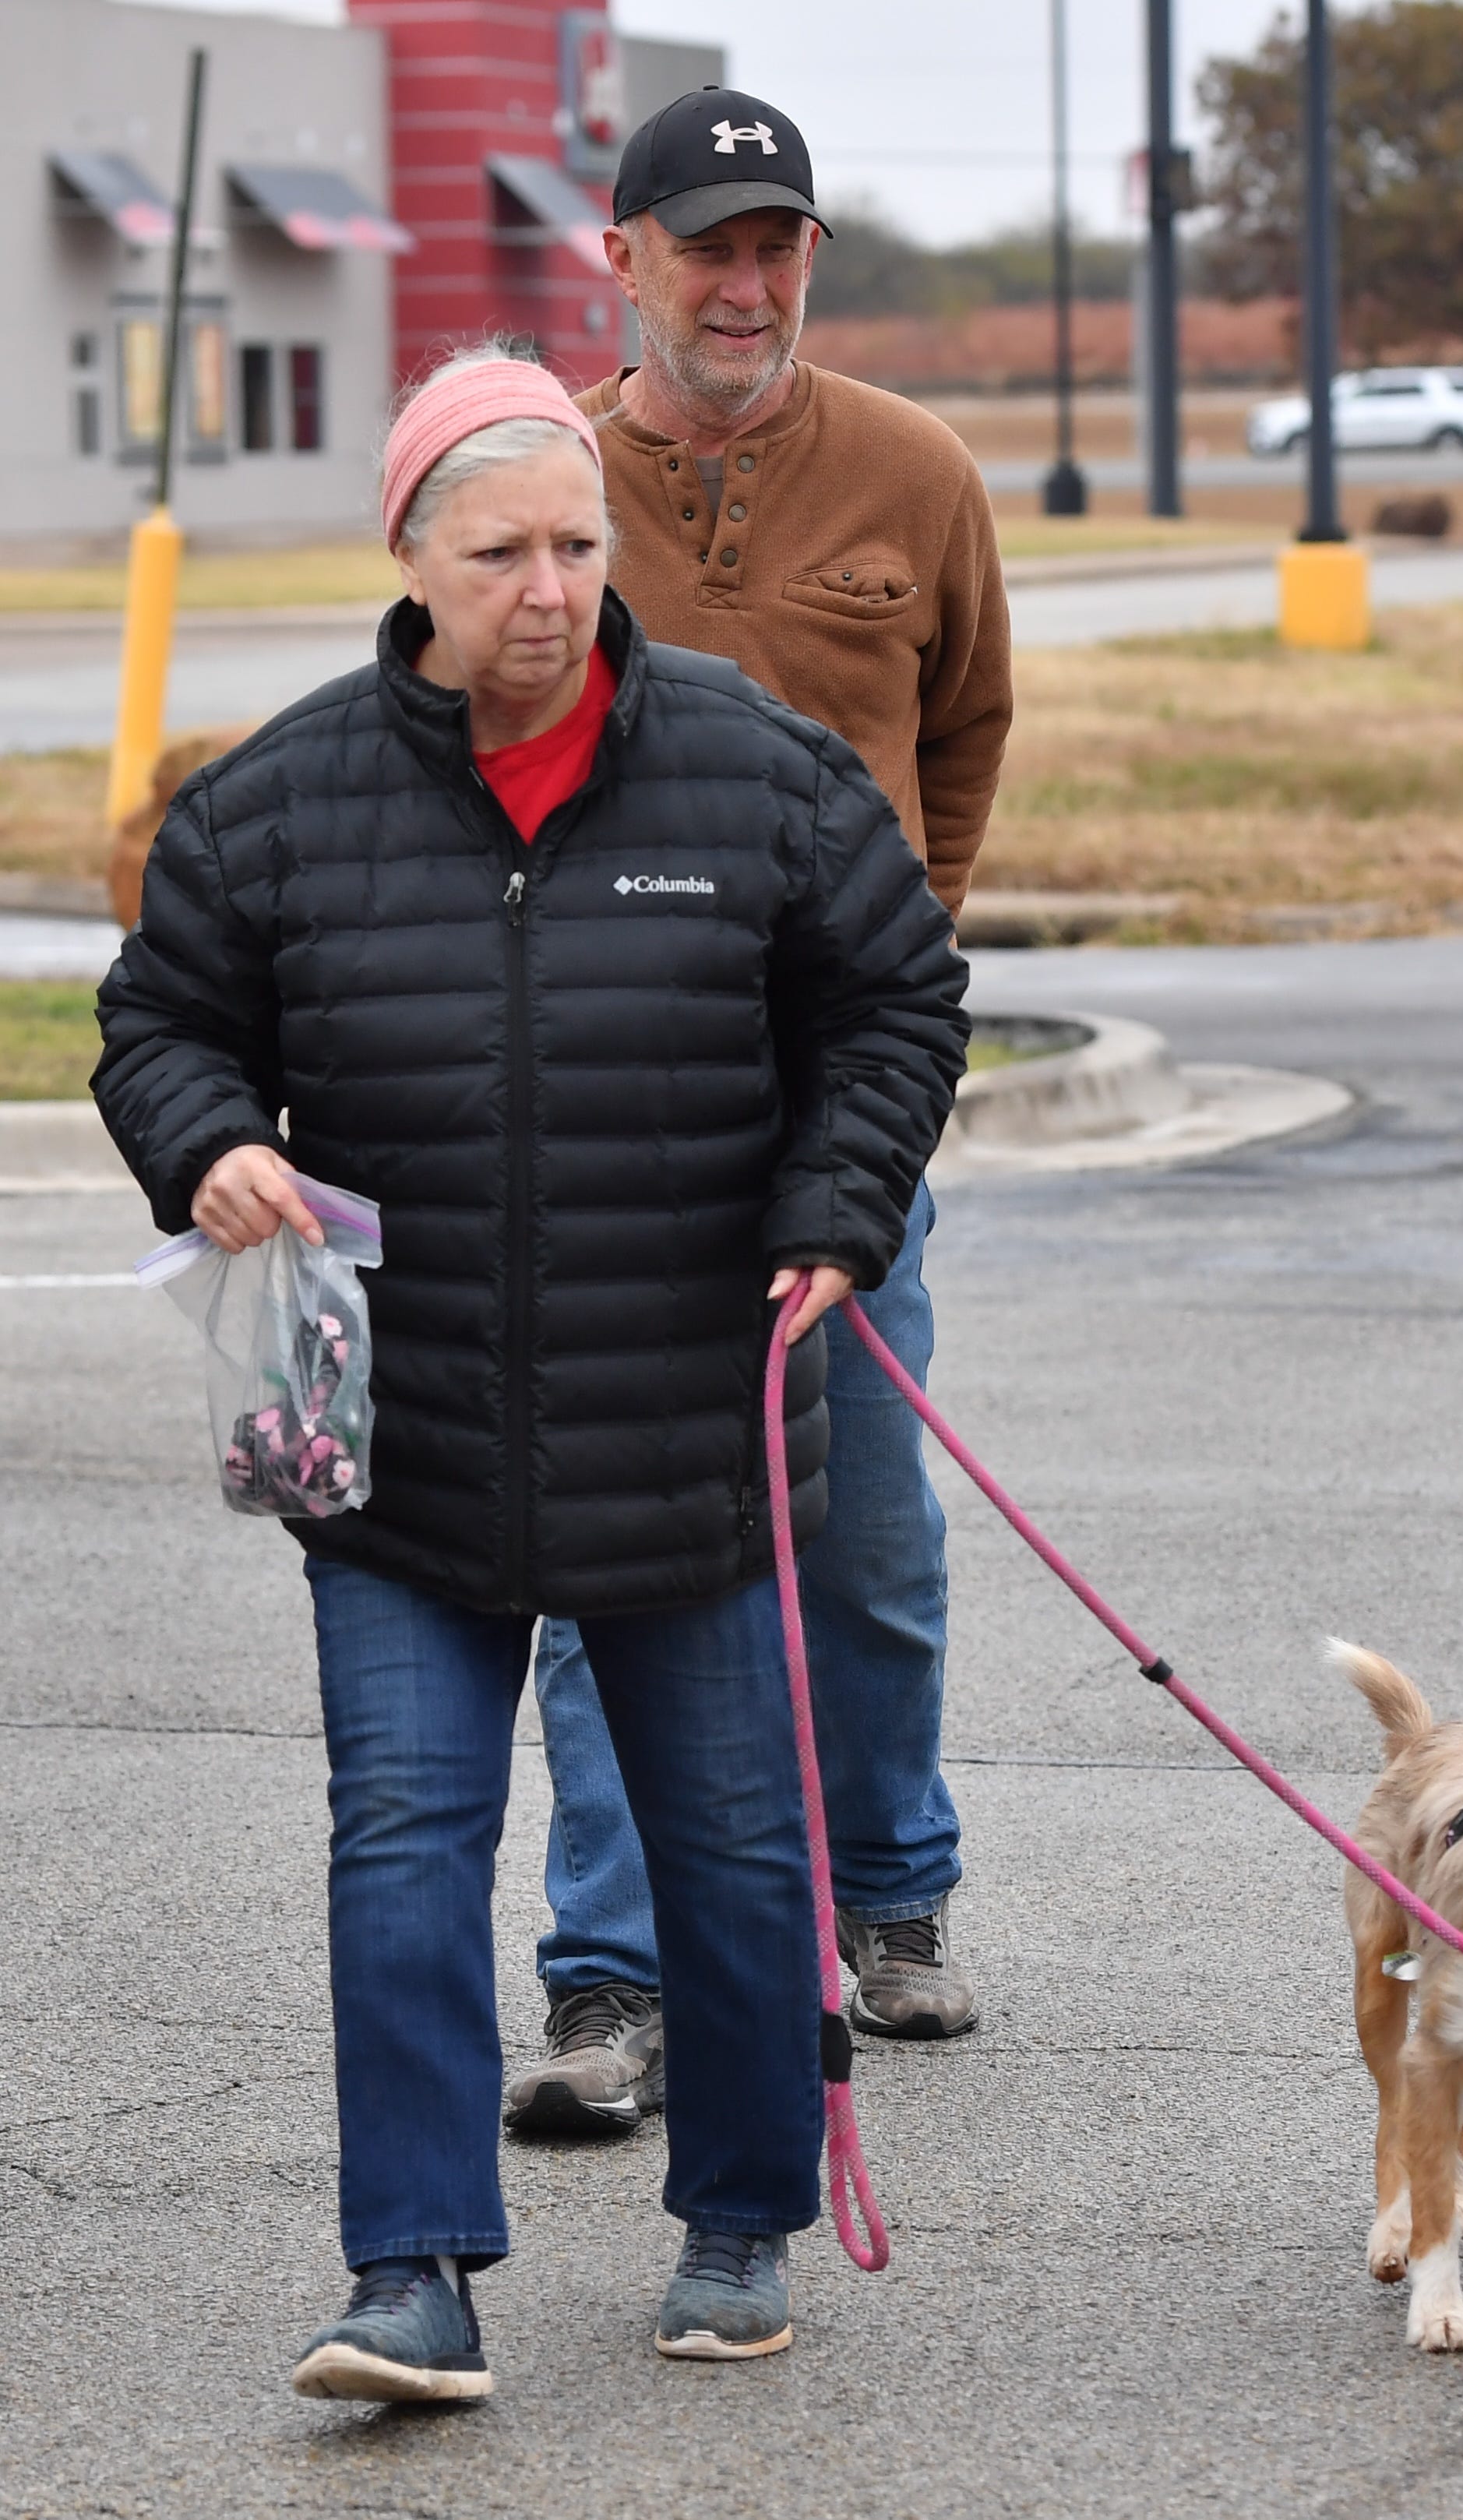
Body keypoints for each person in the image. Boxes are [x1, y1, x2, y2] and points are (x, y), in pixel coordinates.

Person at [92, 347, 970, 2393]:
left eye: (577, 541)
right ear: (412, 556)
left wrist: (842, 1206)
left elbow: (897, 999)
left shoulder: (751, 768)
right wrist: (207, 1138)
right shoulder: (274, 802)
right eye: (499, 551)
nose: (548, 586)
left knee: (738, 1840)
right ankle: (410, 2268)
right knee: (401, 1828)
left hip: (694, 1416)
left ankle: (741, 2211)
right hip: (394, 1432)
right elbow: (158, 1026)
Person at [502, 85, 1013, 2133]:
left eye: (775, 240)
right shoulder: (538, 484)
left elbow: (963, 729)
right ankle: (616, 1977)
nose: (744, 279)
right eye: (703, 242)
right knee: (603, 1550)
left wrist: (898, 959)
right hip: (597, 1121)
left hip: (846, 1109)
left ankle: (894, 1891)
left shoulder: (917, 470)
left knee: (869, 1523)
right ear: (618, 259)